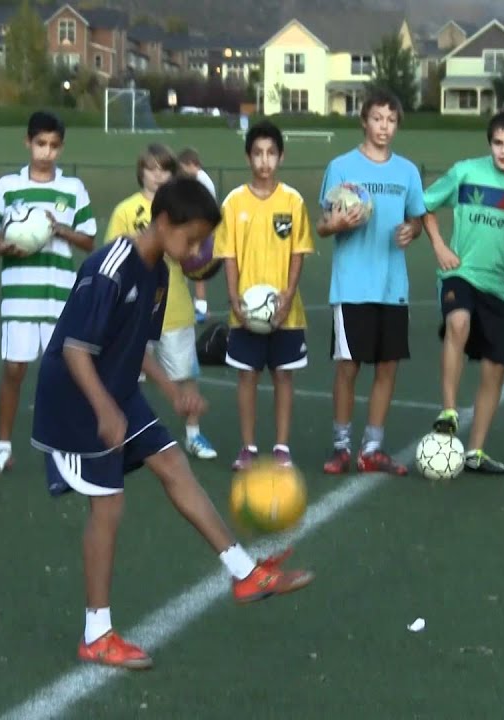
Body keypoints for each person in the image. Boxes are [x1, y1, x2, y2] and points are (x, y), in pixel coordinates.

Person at [30, 176, 314, 670]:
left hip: (114, 392)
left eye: (205, 239)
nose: (200, 248)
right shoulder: (110, 269)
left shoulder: (160, 273)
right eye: (195, 237)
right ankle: (97, 634)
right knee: (108, 506)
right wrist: (104, 409)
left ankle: (244, 573)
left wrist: (171, 389)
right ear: (164, 222)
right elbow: (75, 351)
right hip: (75, 401)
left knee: (174, 464)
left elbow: (136, 345)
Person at [421, 110, 504, 473]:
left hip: (500, 289)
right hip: (460, 274)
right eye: (498, 143)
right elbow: (423, 205)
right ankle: (448, 411)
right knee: (458, 324)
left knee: (494, 370)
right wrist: (439, 247)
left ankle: (475, 452)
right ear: (489, 143)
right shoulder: (465, 172)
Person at [316, 89, 426, 477]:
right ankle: (342, 447)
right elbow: (322, 224)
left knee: (388, 366)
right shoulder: (341, 166)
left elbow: (417, 219)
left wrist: (411, 232)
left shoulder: (408, 172)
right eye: (377, 118)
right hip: (352, 285)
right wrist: (337, 224)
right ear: (364, 121)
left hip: (392, 285)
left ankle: (373, 449)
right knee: (349, 366)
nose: (384, 126)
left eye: (391, 120)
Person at [0, 111, 97, 475]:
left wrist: (58, 229)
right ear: (27, 143)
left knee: (62, 375)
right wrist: (3, 247)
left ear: (61, 148)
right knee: (14, 369)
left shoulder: (72, 189)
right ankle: (2, 448)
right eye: (40, 144)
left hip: (59, 298)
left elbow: (89, 239)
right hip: (19, 297)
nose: (46, 152)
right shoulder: (7, 186)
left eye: (54, 146)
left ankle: (66, 449)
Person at [105, 143, 218, 460]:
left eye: (164, 169)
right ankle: (126, 435)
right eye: (151, 169)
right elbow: (115, 253)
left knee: (185, 374)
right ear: (141, 172)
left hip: (175, 308)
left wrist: (201, 264)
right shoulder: (126, 210)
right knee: (129, 374)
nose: (157, 175)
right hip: (136, 309)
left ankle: (194, 435)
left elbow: (198, 256)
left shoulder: (186, 213)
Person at [215, 121, 314, 470]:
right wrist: (233, 299)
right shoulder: (233, 202)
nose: (264, 161)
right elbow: (228, 255)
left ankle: (282, 448)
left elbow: (298, 252)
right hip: (245, 311)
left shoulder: (293, 200)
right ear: (248, 158)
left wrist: (287, 297)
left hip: (285, 311)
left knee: (284, 376)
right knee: (247, 377)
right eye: (257, 153)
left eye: (271, 153)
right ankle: (248, 448)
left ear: (281, 157)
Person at [178, 147, 214, 323]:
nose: (181, 170)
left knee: (195, 270)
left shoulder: (201, 181)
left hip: (198, 232)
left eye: (183, 166)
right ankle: (197, 307)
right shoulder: (197, 179)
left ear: (192, 164)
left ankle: (199, 309)